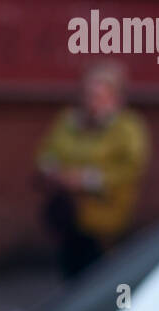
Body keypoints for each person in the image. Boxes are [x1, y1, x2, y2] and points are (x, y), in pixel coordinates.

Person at [35, 60, 150, 279]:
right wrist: (53, 171)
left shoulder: (128, 127)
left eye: (100, 95)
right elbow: (47, 152)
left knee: (100, 272)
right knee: (71, 270)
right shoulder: (70, 121)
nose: (92, 102)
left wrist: (88, 179)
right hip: (69, 212)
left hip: (105, 213)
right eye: (89, 95)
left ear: (116, 97)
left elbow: (132, 167)